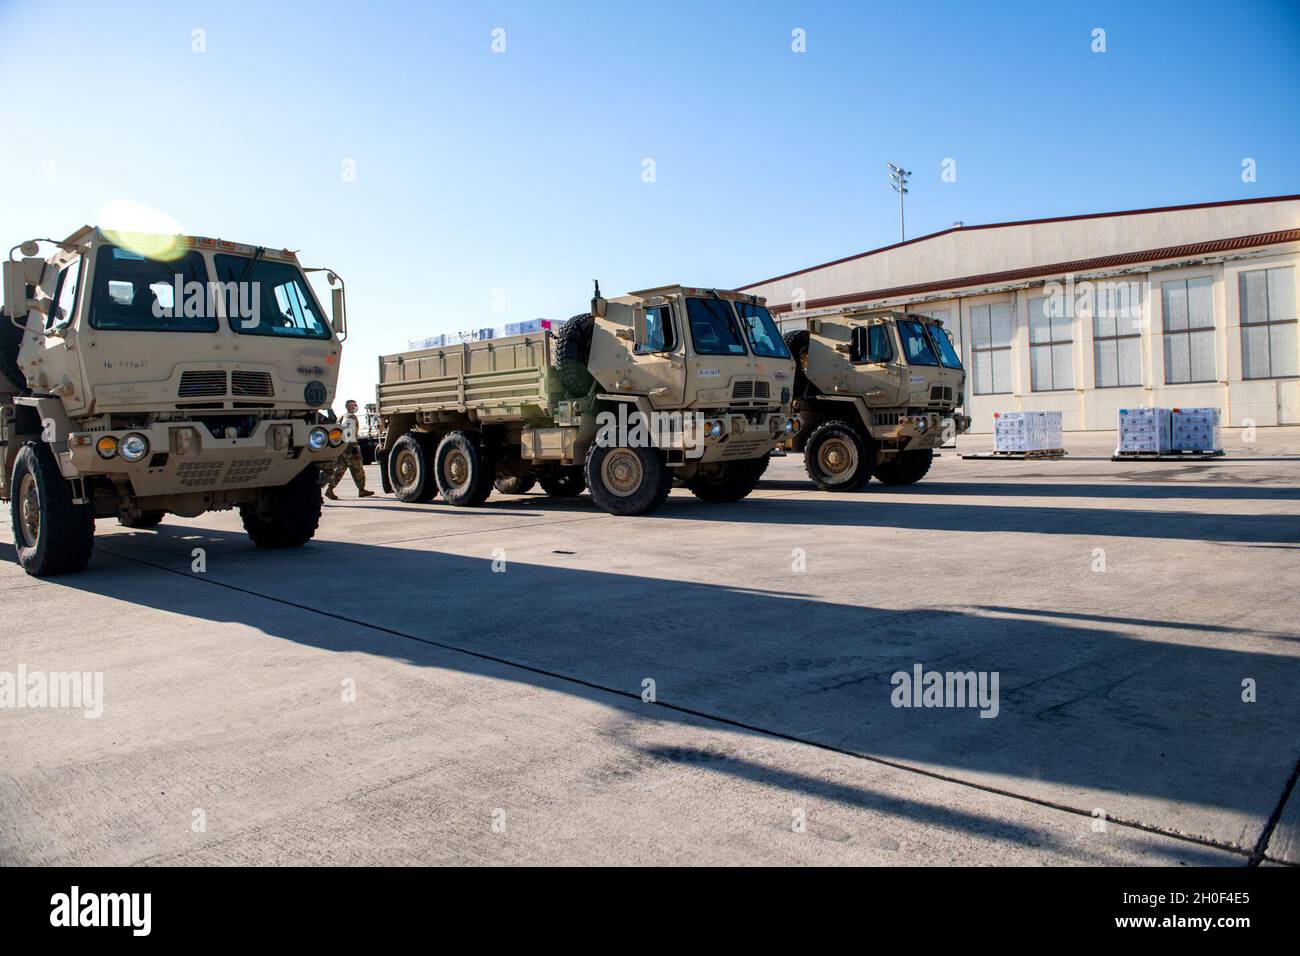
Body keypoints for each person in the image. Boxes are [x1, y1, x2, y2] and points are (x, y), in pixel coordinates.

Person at [325, 399, 375, 500]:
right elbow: (349, 433)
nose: (355, 407)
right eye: (353, 405)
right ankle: (361, 490)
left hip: (342, 448)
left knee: (340, 469)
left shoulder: (342, 417)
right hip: (349, 448)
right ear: (348, 407)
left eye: (355, 405)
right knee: (358, 469)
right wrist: (353, 447)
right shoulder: (350, 417)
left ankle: (330, 489)